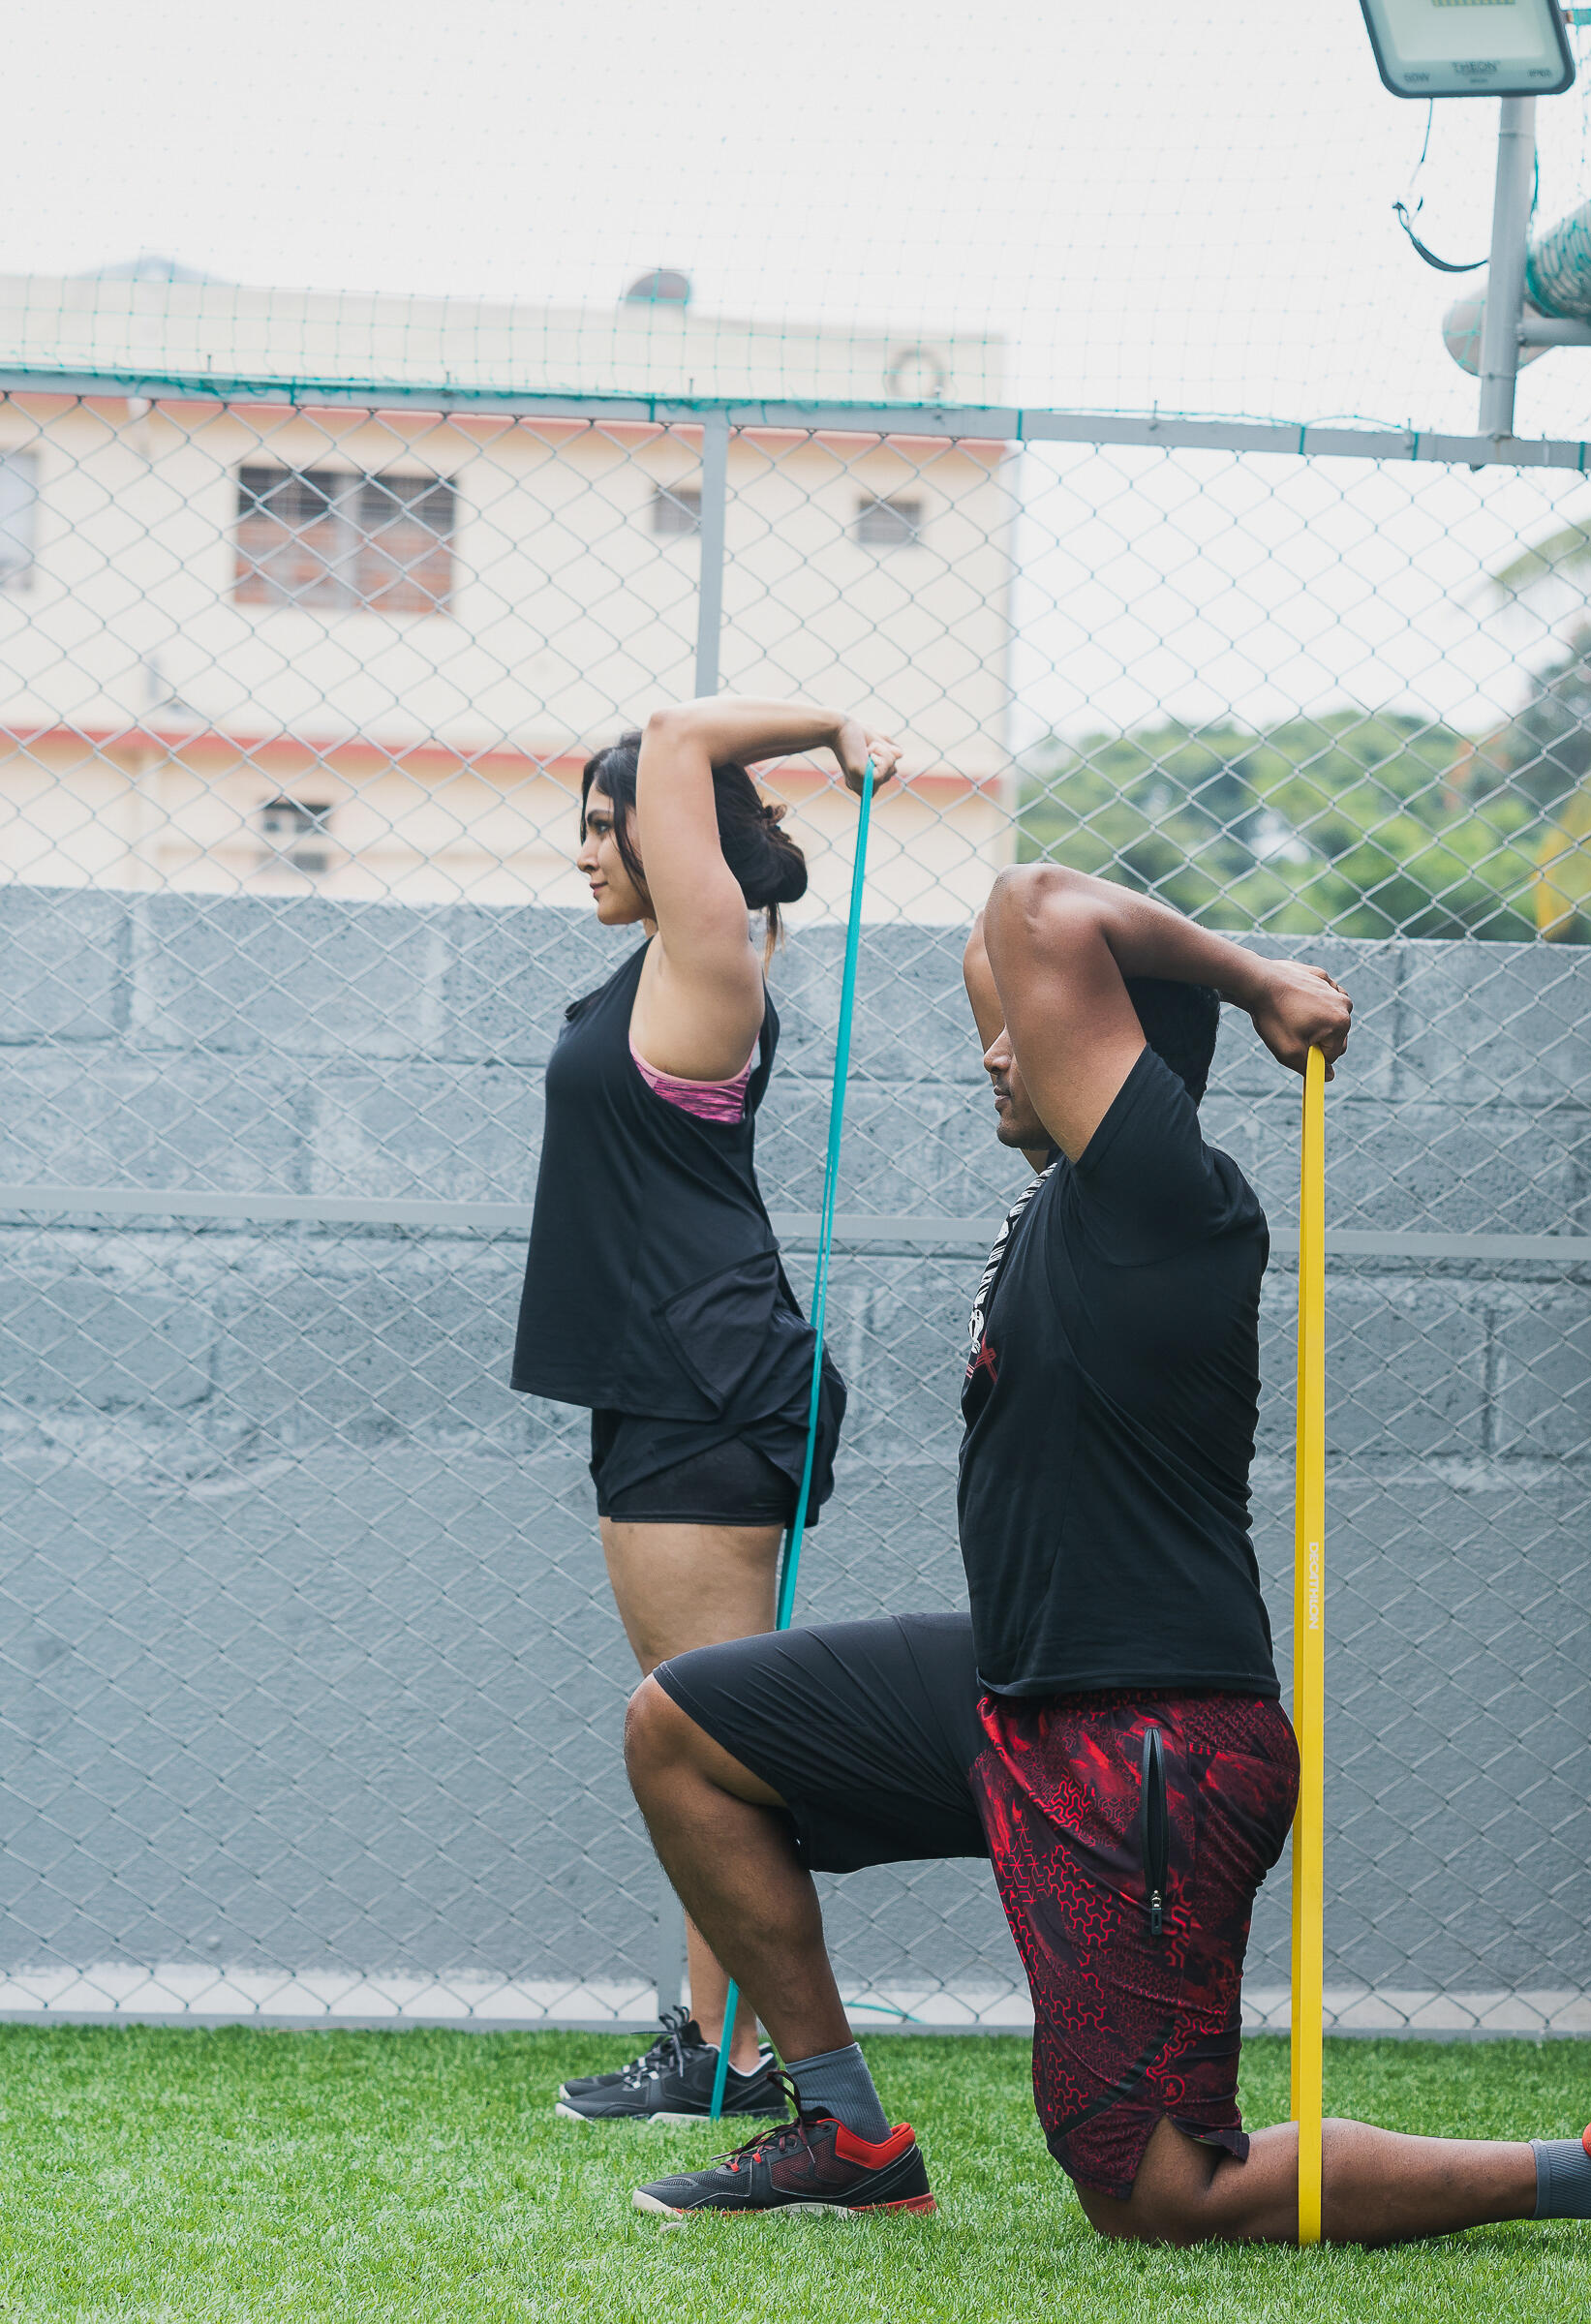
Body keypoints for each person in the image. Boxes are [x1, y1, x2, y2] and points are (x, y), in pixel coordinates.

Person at [612, 863, 1591, 2243]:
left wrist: (1257, 980)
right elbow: (1011, 944)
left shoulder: (1163, 1197)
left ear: (1117, 1063)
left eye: (1021, 1032)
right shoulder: (1063, 1196)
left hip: (1149, 1742)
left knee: (1157, 2195)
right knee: (684, 1731)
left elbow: (1036, 906)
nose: (993, 1050)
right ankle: (848, 2133)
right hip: (1018, 1699)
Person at [515, 695, 894, 2125]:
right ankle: (715, 2048)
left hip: (709, 1389)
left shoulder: (707, 964)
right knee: (703, 1738)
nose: (584, 855)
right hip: (663, 1387)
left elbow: (677, 732)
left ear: (685, 854)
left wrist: (832, 726)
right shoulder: (661, 979)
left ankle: (771, 2072)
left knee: (716, 1742)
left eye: (608, 827)